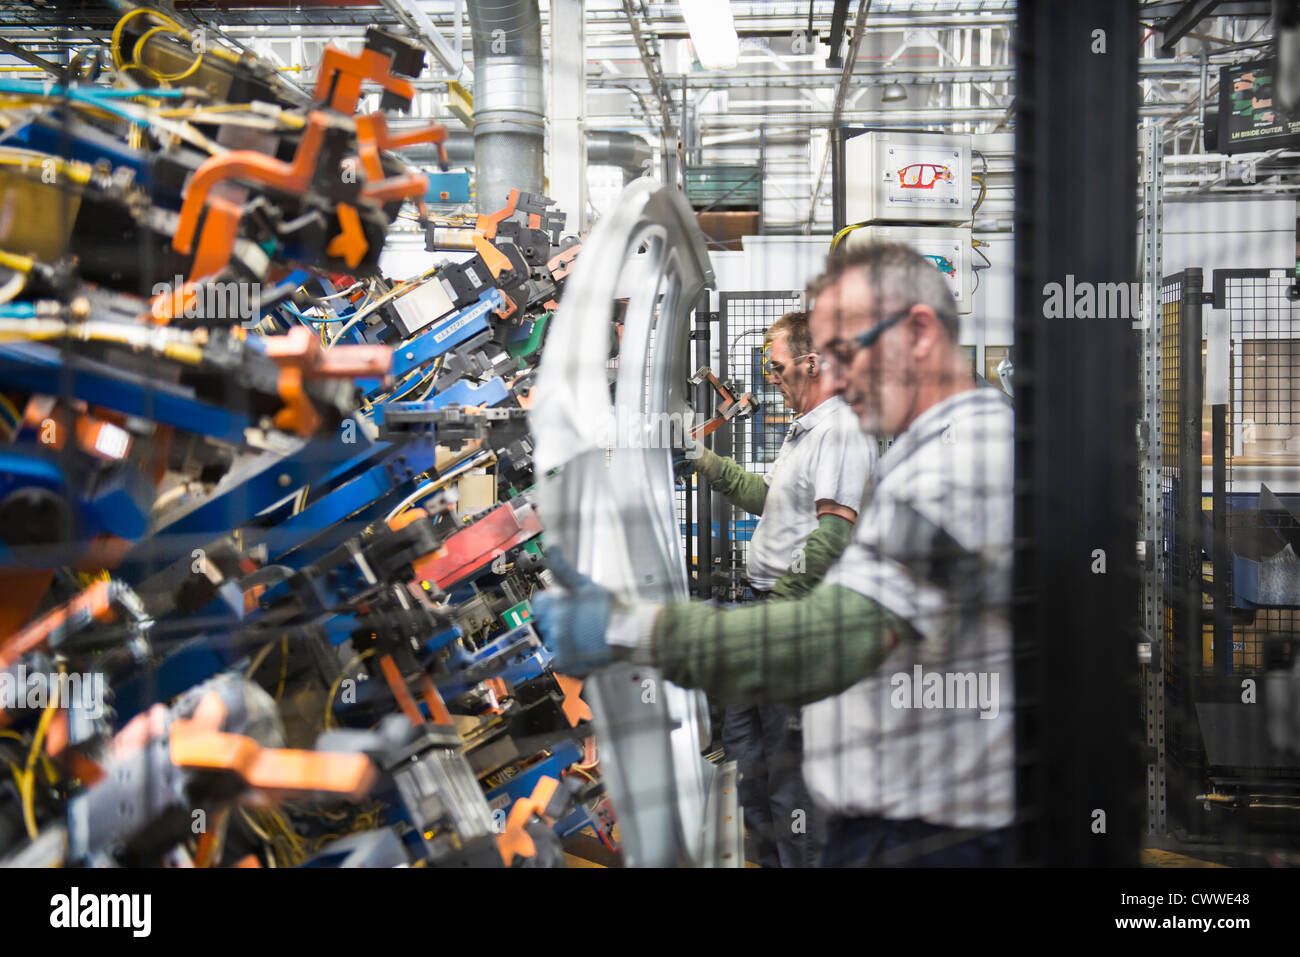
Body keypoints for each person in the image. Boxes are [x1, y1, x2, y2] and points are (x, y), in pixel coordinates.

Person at [537, 241, 1015, 867]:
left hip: (938, 825)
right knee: (763, 783)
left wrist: (630, 628)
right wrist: (707, 465)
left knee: (792, 798)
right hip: (902, 807)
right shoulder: (913, 448)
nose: (834, 379)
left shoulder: (954, 460)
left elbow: (827, 634)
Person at [684, 310, 876, 868]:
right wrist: (703, 459)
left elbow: (835, 533)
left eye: (777, 367)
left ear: (813, 364)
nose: (771, 379)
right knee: (747, 756)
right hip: (762, 611)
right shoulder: (805, 430)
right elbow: (761, 495)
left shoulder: (841, 431)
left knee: (789, 772)